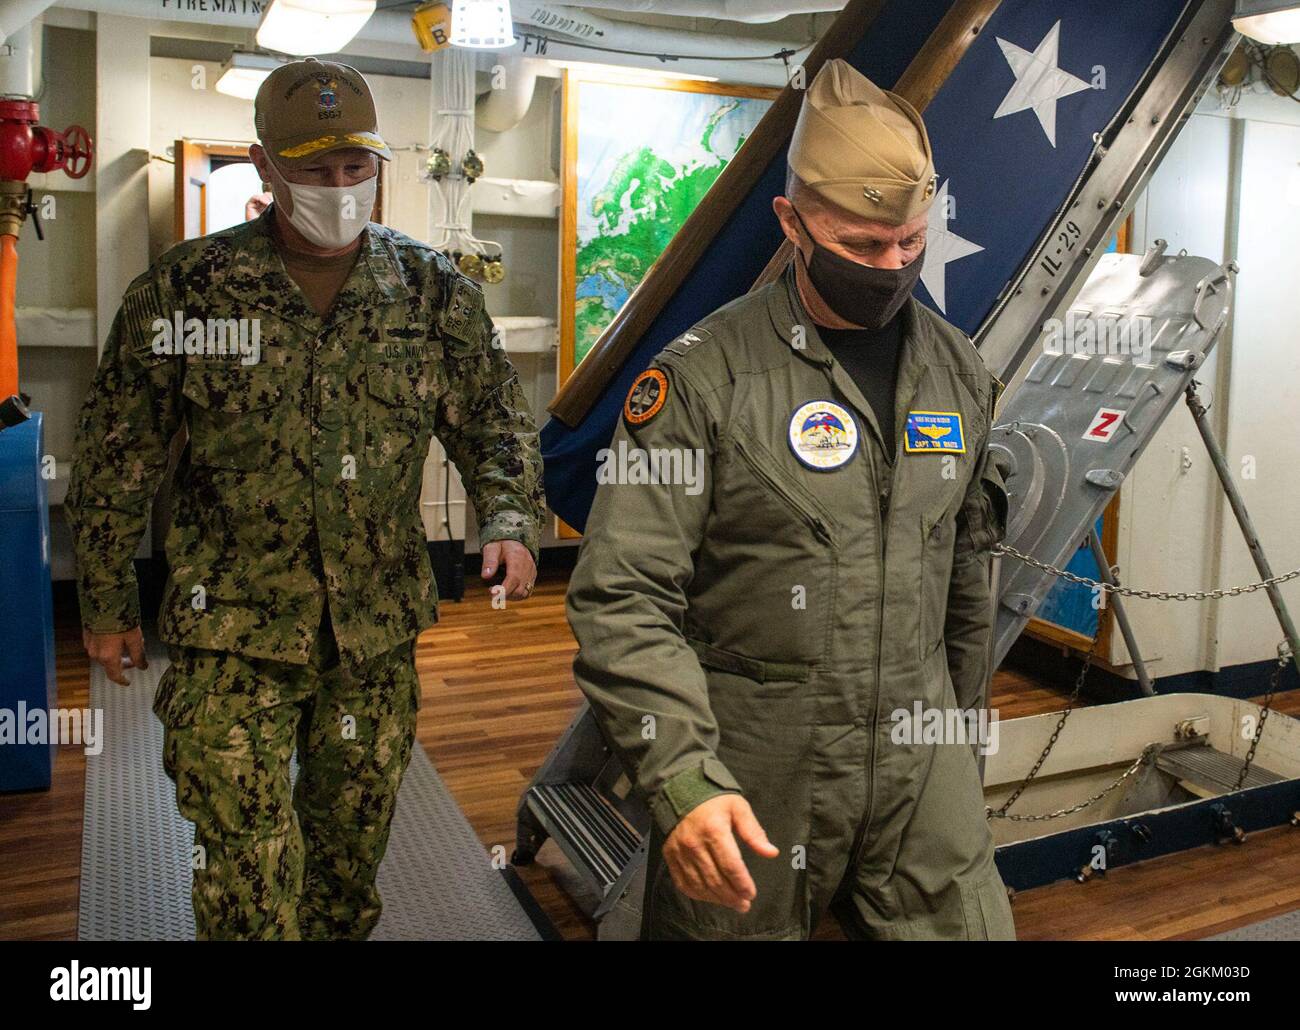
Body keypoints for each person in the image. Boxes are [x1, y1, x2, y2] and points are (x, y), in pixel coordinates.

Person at [66, 58, 545, 940]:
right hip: (230, 633)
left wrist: (510, 519)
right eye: (315, 170)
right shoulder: (186, 292)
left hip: (372, 633)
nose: (340, 188)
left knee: (342, 876)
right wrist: (104, 599)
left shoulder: (433, 293)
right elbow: (116, 456)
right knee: (247, 885)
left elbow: (494, 423)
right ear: (265, 165)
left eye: (355, 167)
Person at [566, 59, 1013, 940]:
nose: (892, 268)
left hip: (920, 762)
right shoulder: (705, 380)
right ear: (792, 222)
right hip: (757, 762)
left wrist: (955, 726)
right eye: (861, 246)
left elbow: (967, 570)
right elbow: (623, 596)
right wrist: (682, 776)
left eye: (911, 243)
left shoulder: (958, 372)